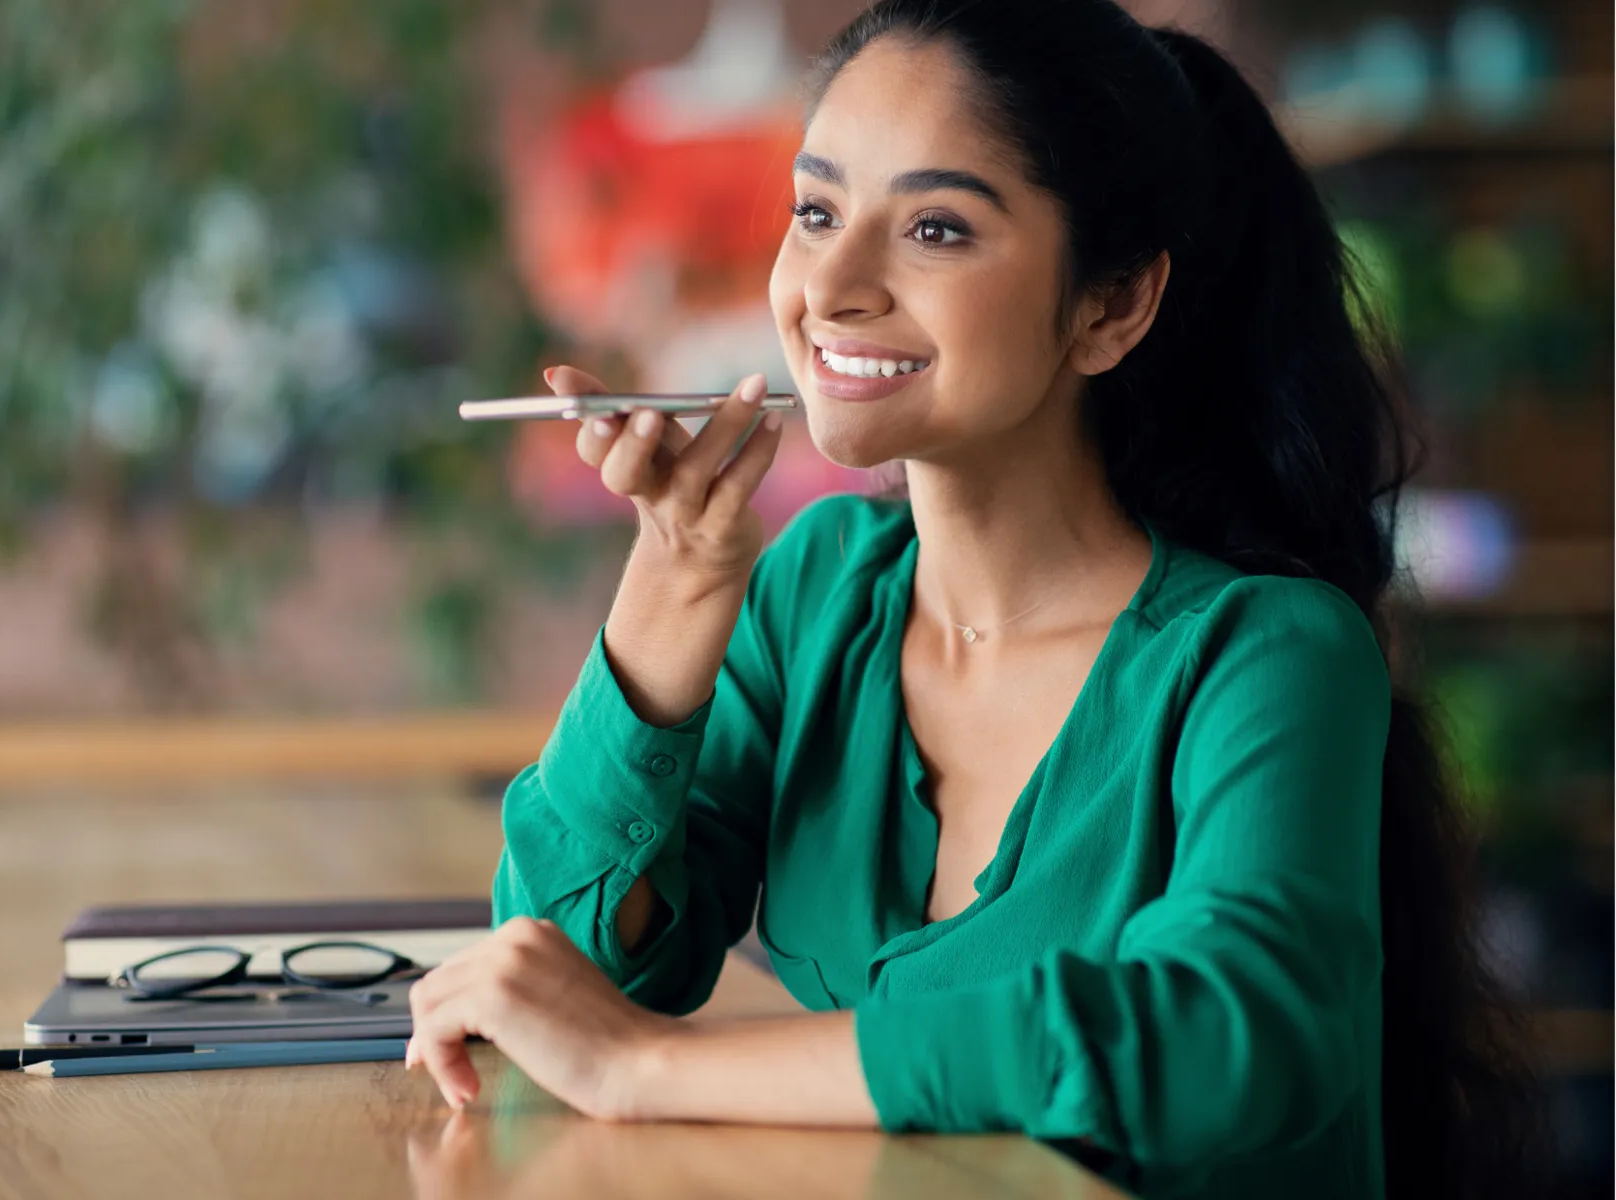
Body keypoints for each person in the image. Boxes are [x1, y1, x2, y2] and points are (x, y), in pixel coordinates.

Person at [406, 1, 1539, 1195]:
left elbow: (1227, 1036)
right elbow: (570, 980)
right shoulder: (818, 593)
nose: (830, 286)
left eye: (937, 227)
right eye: (817, 211)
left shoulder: (1267, 656)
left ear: (1111, 307)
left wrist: (654, 1072)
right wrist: (674, 586)